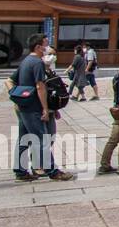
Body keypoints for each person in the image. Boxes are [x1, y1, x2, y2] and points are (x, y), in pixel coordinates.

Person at [9, 33, 76, 182]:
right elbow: (40, 87)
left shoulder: (25, 61)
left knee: (23, 140)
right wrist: (45, 109)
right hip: (34, 107)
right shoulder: (37, 63)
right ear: (38, 47)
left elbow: (12, 81)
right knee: (42, 139)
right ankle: (53, 171)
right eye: (46, 44)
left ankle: (20, 171)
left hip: (24, 106)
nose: (48, 47)